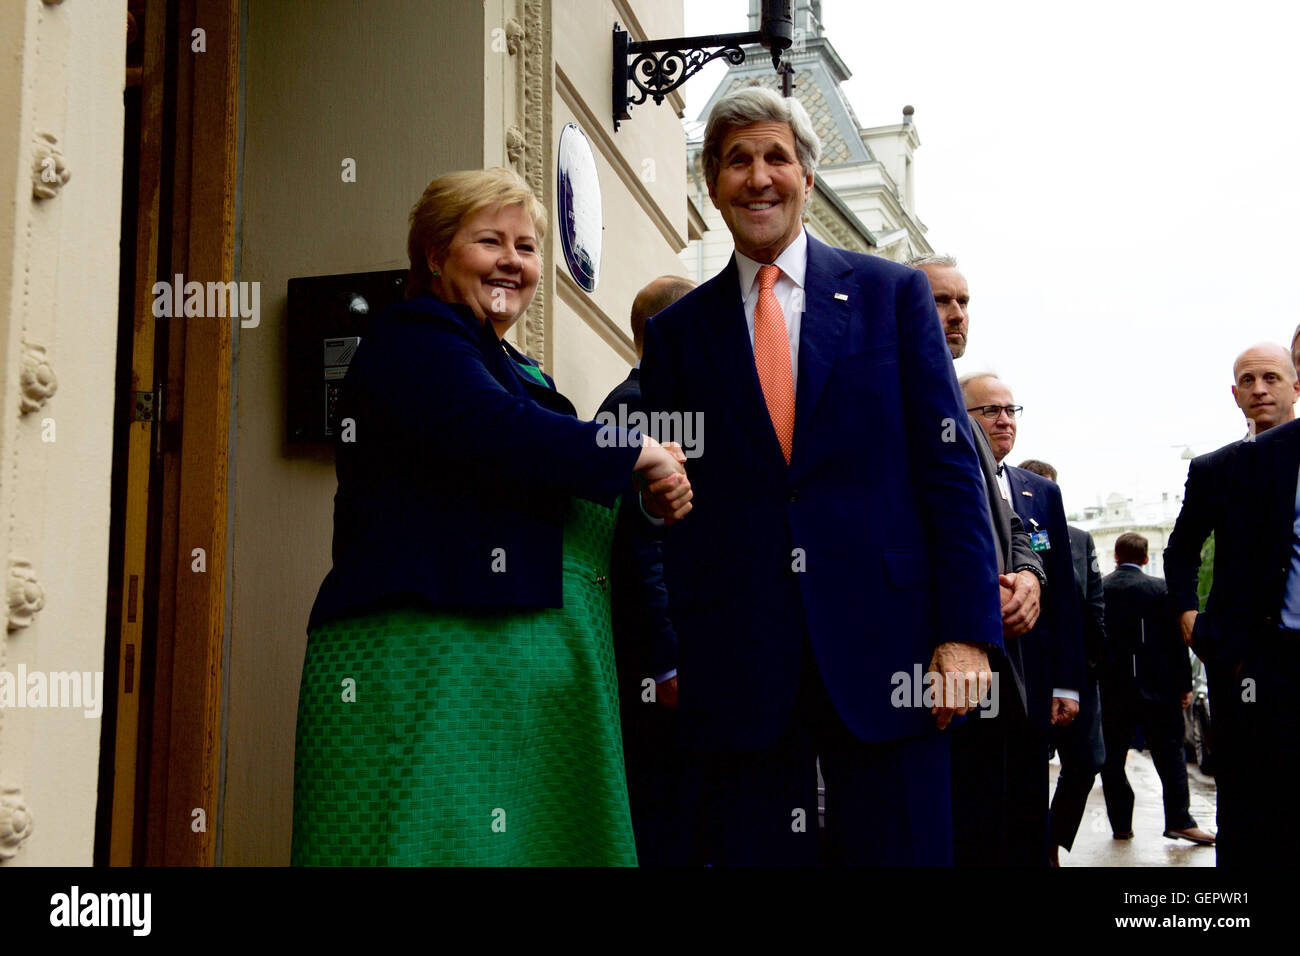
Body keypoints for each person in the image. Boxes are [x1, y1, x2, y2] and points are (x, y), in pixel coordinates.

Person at [640, 86, 1004, 866]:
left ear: (807, 175)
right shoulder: (676, 336)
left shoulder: (894, 296)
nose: (759, 176)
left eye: (777, 157)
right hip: (741, 664)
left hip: (894, 648)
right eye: (737, 161)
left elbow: (948, 473)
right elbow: (674, 508)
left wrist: (967, 635)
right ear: (712, 184)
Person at [292, 167, 692, 867]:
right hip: (429, 659)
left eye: (528, 246)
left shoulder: (507, 361)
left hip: (508, 661)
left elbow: (533, 465)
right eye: (490, 241)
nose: (513, 260)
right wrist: (638, 453)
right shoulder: (415, 336)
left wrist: (642, 489)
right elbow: (494, 430)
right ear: (436, 255)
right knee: (432, 843)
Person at [911, 254, 1046, 867]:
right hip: (935, 662)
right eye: (941, 301)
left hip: (999, 661)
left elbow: (1009, 524)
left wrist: (1029, 575)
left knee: (997, 826)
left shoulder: (957, 411)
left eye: (963, 302)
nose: (956, 314)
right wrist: (963, 606)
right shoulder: (898, 391)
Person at [1163, 341, 1298, 864]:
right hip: (1248, 658)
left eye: (1271, 377)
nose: (1259, 389)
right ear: (1234, 393)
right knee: (1245, 799)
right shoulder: (1218, 468)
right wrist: (1190, 618)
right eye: (1248, 380)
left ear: (1295, 385)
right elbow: (1181, 551)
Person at [961, 373, 1084, 866]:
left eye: (1011, 410)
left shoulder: (1039, 493)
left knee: (1027, 799)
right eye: (990, 411)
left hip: (1031, 677)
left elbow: (1065, 598)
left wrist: (1067, 684)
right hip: (969, 672)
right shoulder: (950, 476)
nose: (1004, 421)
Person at [597, 274, 697, 866]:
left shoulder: (675, 404)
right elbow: (641, 545)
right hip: (659, 669)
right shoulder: (638, 408)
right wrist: (666, 660)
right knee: (663, 821)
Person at [1207, 413, 1300, 865]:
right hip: (1277, 658)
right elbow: (1232, 566)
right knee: (1268, 805)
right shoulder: (1262, 456)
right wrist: (1211, 637)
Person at [1018, 458, 1108, 865]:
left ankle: (1053, 837)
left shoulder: (1080, 539)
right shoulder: (1010, 534)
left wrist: (1093, 662)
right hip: (1030, 670)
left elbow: (1092, 602)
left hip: (1078, 671)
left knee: (1088, 761)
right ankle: (1033, 844)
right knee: (1027, 766)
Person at [1098, 534, 1214, 846]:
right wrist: (1184, 686)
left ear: (1117, 557)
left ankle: (1121, 824)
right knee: (1171, 756)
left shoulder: (1101, 588)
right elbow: (1178, 643)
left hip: (1113, 692)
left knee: (1111, 761)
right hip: (1159, 691)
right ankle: (1179, 819)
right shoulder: (1161, 590)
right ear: (1147, 558)